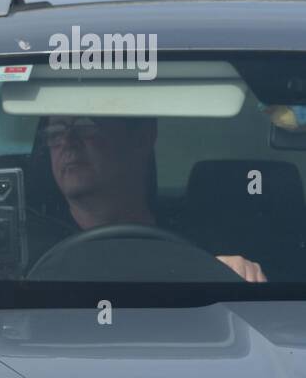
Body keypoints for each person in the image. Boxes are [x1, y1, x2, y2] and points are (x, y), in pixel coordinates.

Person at [35, 114, 265, 281]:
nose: (67, 142)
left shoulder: (208, 248)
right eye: (55, 133)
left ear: (144, 136)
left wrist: (239, 276)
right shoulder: (25, 251)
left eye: (85, 126)